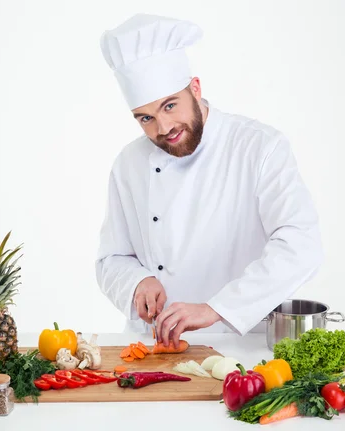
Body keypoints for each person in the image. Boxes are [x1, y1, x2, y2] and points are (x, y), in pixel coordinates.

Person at [95, 13, 324, 348]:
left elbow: (301, 243)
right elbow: (111, 258)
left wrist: (217, 308)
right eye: (146, 118)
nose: (163, 128)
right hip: (153, 345)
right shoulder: (129, 164)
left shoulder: (259, 147)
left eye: (170, 105)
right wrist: (137, 282)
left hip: (239, 344)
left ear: (195, 88)